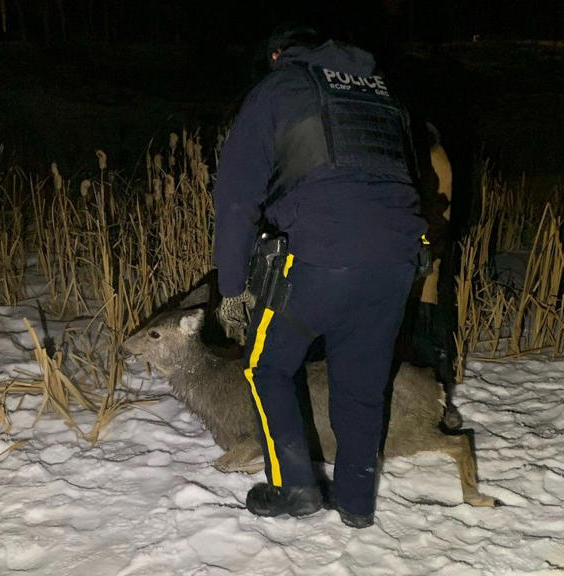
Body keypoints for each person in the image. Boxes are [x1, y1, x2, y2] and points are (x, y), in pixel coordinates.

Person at [213, 24, 427, 528]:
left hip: (319, 256)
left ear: (275, 55)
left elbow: (237, 196)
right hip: (397, 260)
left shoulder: (279, 87)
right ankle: (355, 501)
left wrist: (229, 286)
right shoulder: (382, 93)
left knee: (265, 367)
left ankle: (294, 488)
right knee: (361, 381)